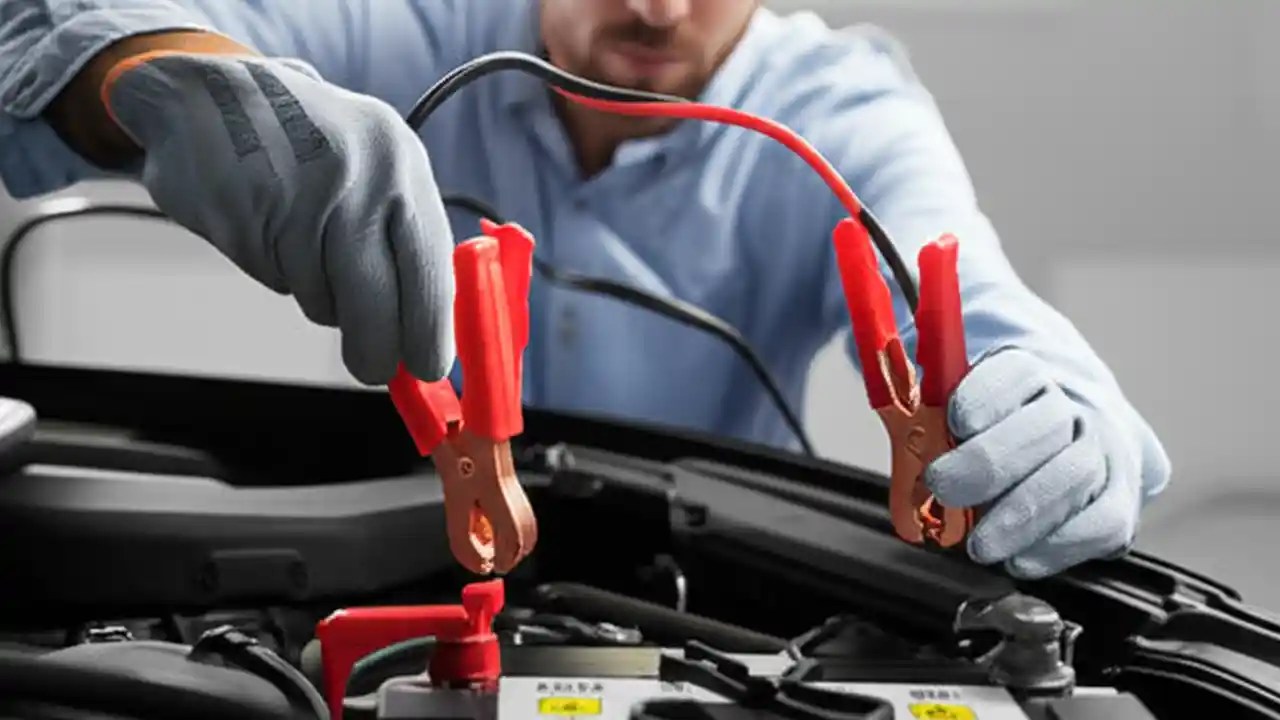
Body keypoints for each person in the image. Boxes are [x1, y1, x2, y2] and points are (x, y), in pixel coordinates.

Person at [0, 0, 1169, 579]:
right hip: (403, 557)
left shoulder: (839, 112)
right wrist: (155, 78)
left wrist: (1056, 403)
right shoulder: (409, 28)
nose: (656, 8)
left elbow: (962, 286)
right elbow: (57, 32)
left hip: (719, 588)